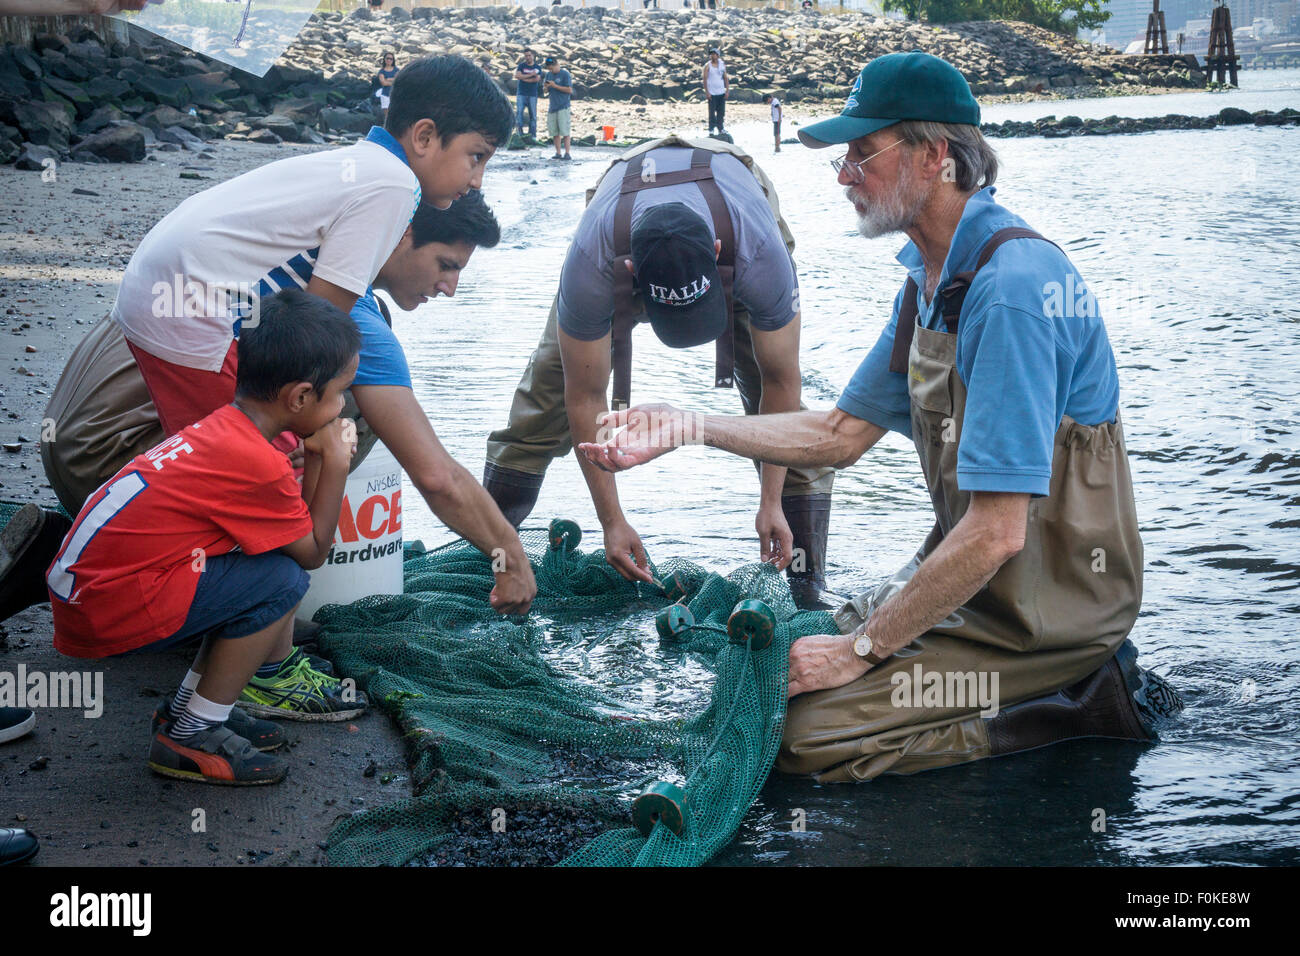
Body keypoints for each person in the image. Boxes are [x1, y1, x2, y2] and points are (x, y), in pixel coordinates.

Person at [579, 52, 1182, 781]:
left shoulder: (1014, 291)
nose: (843, 177)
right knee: (778, 666)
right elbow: (838, 435)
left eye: (862, 154)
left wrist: (857, 653)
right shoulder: (929, 279)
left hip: (1052, 613)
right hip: (975, 578)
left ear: (934, 156)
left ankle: (1081, 702)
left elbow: (997, 530)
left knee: (801, 738)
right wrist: (688, 425)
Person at [16, 56, 535, 618]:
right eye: (476, 157)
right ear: (425, 137)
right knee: (275, 466)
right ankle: (248, 648)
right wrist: (319, 447)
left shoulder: (351, 170)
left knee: (225, 458)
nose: (476, 178)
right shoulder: (393, 187)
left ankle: (102, 556)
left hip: (148, 314)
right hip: (182, 336)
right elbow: (316, 339)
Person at [483, 134, 838, 610]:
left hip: (734, 193)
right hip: (623, 200)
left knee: (773, 406)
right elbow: (585, 396)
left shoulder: (758, 253)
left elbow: (781, 381)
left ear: (716, 252)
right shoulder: (592, 263)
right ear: (630, 274)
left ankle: (803, 583)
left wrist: (769, 500)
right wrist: (612, 521)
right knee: (548, 392)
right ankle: (486, 553)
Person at [47, 290, 364, 785]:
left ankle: (191, 709)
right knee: (279, 582)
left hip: (91, 592)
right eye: (341, 392)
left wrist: (317, 456)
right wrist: (336, 462)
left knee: (247, 576)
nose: (344, 404)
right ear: (300, 397)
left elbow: (292, 524)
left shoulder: (224, 428)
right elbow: (312, 553)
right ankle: (190, 736)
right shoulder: (256, 463)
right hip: (105, 608)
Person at [543, 56, 573, 161]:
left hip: (563, 106)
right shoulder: (548, 74)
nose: (550, 71)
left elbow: (569, 90)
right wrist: (546, 88)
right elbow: (545, 91)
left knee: (565, 131)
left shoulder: (565, 74)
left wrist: (555, 86)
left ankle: (567, 153)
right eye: (549, 69)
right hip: (552, 106)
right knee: (554, 132)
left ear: (556, 64)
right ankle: (558, 153)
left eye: (551, 68)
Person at [514, 48, 542, 139]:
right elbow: (517, 76)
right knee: (519, 114)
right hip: (521, 93)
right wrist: (531, 75)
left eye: (529, 55)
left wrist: (523, 78)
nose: (528, 57)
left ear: (533, 56)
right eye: (526, 56)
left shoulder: (537, 67)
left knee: (533, 115)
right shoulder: (521, 66)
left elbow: (536, 79)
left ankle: (532, 135)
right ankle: (519, 134)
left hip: (532, 94)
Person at [702, 49, 728, 135]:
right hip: (712, 93)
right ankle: (711, 129)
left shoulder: (722, 65)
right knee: (712, 112)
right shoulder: (707, 65)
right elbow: (705, 79)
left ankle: (721, 128)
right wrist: (707, 92)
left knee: (721, 112)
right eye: (711, 54)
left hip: (721, 92)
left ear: (718, 55)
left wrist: (727, 90)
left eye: (714, 54)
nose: (712, 56)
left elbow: (725, 78)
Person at [374, 51, 398, 124]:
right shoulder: (382, 71)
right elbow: (383, 83)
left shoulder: (396, 70)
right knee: (387, 115)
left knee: (394, 112)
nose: (389, 60)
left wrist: (388, 79)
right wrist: (392, 80)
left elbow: (397, 80)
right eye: (387, 58)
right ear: (384, 59)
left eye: (391, 59)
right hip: (385, 95)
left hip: (394, 94)